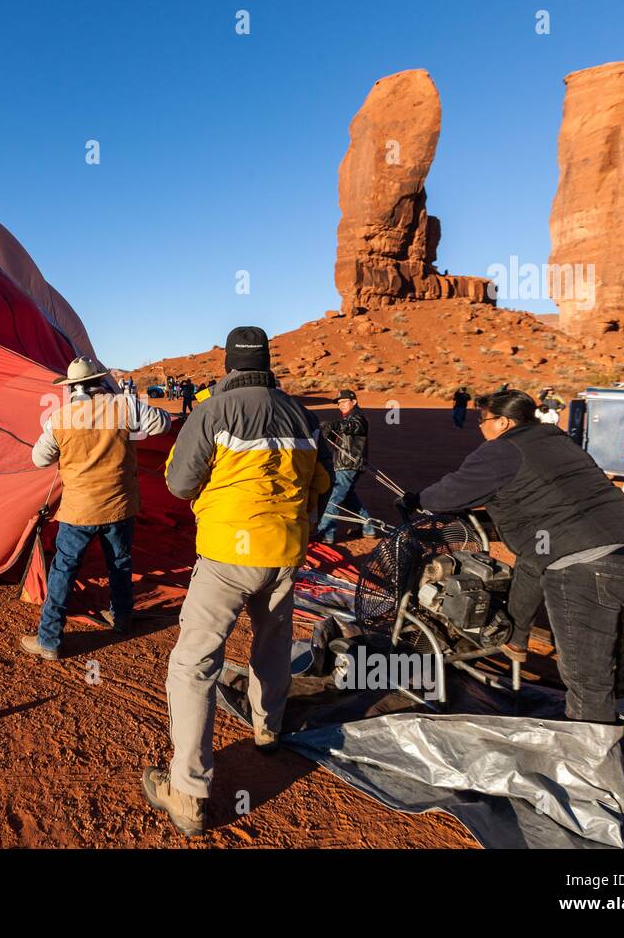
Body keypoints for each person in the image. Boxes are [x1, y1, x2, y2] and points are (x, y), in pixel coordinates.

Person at [140, 326, 330, 837]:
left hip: (228, 554)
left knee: (194, 662)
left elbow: (180, 483)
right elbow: (323, 485)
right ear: (267, 363)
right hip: (286, 551)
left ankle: (189, 792)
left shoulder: (212, 412)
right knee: (273, 646)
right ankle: (268, 730)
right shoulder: (304, 415)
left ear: (228, 366)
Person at [400, 389, 624, 724]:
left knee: (585, 678)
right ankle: (518, 640)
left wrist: (418, 499)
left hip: (589, 565)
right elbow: (541, 525)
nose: (480, 428)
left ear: (504, 422)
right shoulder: (557, 441)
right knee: (538, 559)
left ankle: (591, 766)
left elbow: (449, 493)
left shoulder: (502, 450)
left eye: (483, 420)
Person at [21, 357, 172, 660]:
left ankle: (49, 639)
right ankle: (121, 618)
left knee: (64, 568)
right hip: (119, 504)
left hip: (80, 509)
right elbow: (163, 423)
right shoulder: (125, 407)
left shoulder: (60, 418)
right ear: (99, 383)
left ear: (72, 388)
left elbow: (39, 459)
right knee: (120, 561)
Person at [314, 389, 375, 543]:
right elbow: (345, 434)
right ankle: (368, 527)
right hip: (346, 464)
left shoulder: (357, 416)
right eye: (339, 403)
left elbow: (354, 426)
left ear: (354, 402)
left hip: (348, 465)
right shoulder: (349, 418)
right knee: (349, 499)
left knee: (332, 498)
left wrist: (332, 425)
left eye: (344, 402)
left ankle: (327, 533)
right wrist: (331, 432)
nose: (341, 405)